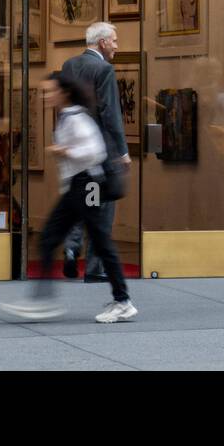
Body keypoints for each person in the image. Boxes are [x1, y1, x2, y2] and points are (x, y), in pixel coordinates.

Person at [0, 72, 136, 323]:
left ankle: (121, 301)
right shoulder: (67, 116)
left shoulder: (76, 118)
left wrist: (65, 150)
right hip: (80, 187)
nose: (46, 96)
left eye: (50, 91)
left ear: (64, 92)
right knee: (53, 239)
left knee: (93, 241)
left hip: (87, 186)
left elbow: (95, 152)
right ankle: (45, 300)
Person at [61, 22, 130, 282]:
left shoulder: (70, 65)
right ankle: (94, 268)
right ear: (101, 42)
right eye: (114, 40)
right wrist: (122, 151)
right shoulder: (104, 69)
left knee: (83, 201)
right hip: (100, 152)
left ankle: (71, 247)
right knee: (102, 208)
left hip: (76, 150)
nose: (116, 45)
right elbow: (111, 114)